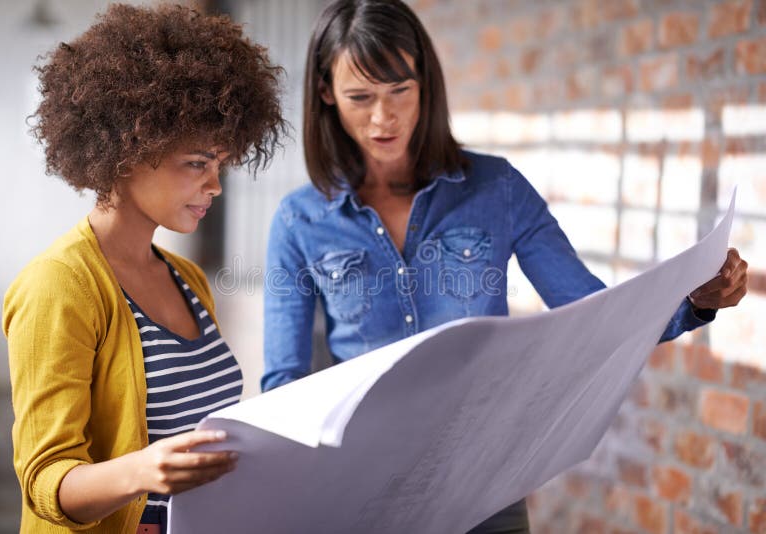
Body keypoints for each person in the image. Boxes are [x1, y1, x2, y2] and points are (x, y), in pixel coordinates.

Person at [261, 0, 748, 532]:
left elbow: (592, 309)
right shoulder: (298, 221)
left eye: (400, 90)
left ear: (425, 82)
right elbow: (283, 383)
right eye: (361, 97)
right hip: (362, 490)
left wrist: (693, 303)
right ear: (327, 95)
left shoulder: (497, 189)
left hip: (484, 481)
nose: (384, 117)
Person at [2, 4, 284, 533]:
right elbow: (45, 482)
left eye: (219, 165)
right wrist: (144, 470)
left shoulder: (188, 279)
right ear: (129, 149)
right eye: (197, 164)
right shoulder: (59, 285)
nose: (215, 186)